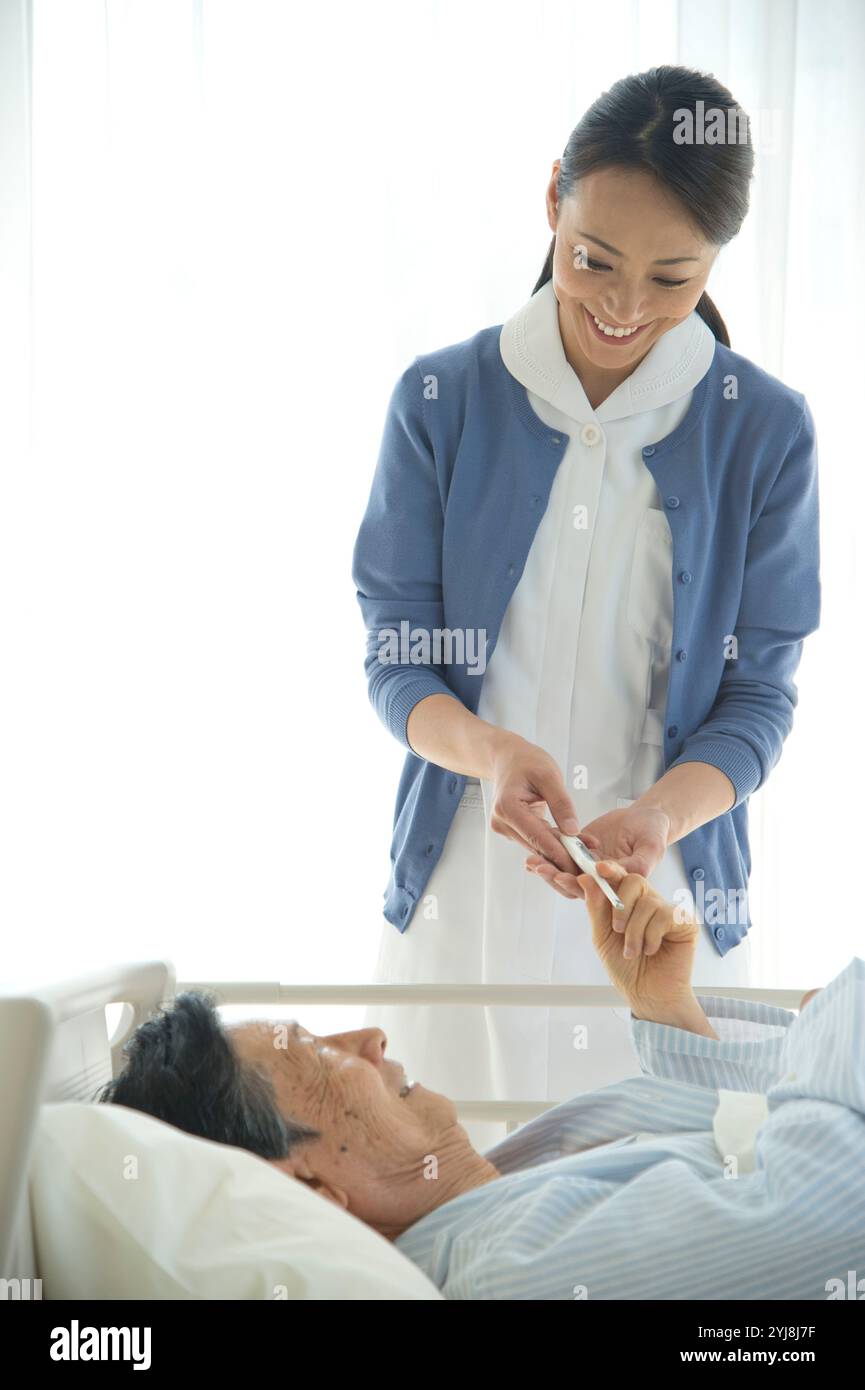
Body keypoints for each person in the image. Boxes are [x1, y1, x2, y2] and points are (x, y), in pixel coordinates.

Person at [351, 66, 821, 1146]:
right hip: (463, 891)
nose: (621, 307)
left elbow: (758, 699)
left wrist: (659, 817)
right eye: (593, 259)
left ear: (717, 261)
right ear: (553, 195)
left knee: (660, 1228)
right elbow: (398, 657)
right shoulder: (444, 401)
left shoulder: (764, 434)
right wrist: (487, 754)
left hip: (666, 917)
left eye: (671, 277)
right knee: (446, 1218)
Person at [99, 864, 863, 1300]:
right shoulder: (513, 1275)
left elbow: (743, 1137)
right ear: (308, 1189)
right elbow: (830, 1207)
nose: (369, 1038)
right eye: (321, 1057)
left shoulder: (501, 1189)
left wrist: (669, 1014)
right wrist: (838, 1016)